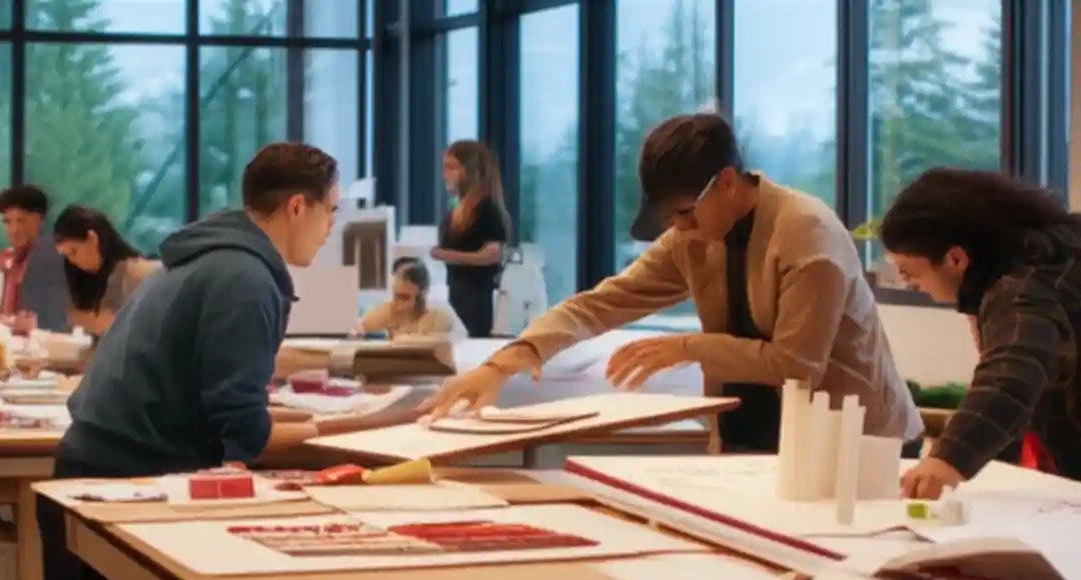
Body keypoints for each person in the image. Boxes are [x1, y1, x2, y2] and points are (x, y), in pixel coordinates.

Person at [50, 142, 343, 580]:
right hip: (133, 479)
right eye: (331, 212)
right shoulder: (246, 278)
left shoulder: (205, 257)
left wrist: (318, 422)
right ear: (297, 207)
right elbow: (243, 431)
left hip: (98, 464)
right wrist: (352, 432)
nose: (332, 228)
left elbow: (218, 404)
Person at [426, 113, 922, 454]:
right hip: (753, 443)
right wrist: (506, 362)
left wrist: (687, 346)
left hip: (861, 450)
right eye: (670, 217)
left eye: (685, 212)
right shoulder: (693, 234)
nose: (678, 229)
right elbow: (602, 303)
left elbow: (796, 364)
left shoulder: (806, 235)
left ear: (727, 182)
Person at [879, 168, 1081, 497]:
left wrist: (945, 462)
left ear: (956, 258)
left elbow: (1012, 374)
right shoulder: (1052, 255)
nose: (907, 283)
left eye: (909, 272)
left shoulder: (1021, 289)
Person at [431, 140, 512, 338]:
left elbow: (492, 255)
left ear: (468, 170)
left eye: (450, 167)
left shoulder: (486, 209)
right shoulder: (458, 211)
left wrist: (446, 255)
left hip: (478, 302)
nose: (445, 174)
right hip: (458, 296)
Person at [52, 205, 159, 336]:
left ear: (92, 238)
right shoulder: (81, 277)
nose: (72, 260)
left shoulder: (135, 273)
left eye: (74, 251)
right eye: (66, 256)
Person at [0, 185, 70, 333]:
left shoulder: (49, 255)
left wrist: (14, 322)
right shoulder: (17, 259)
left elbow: (53, 320)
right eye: (7, 222)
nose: (13, 230)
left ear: (40, 220)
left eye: (21, 221)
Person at [354, 258, 466, 340]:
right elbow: (358, 329)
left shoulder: (440, 316)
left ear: (422, 295)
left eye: (404, 297)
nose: (397, 303)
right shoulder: (388, 310)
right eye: (395, 295)